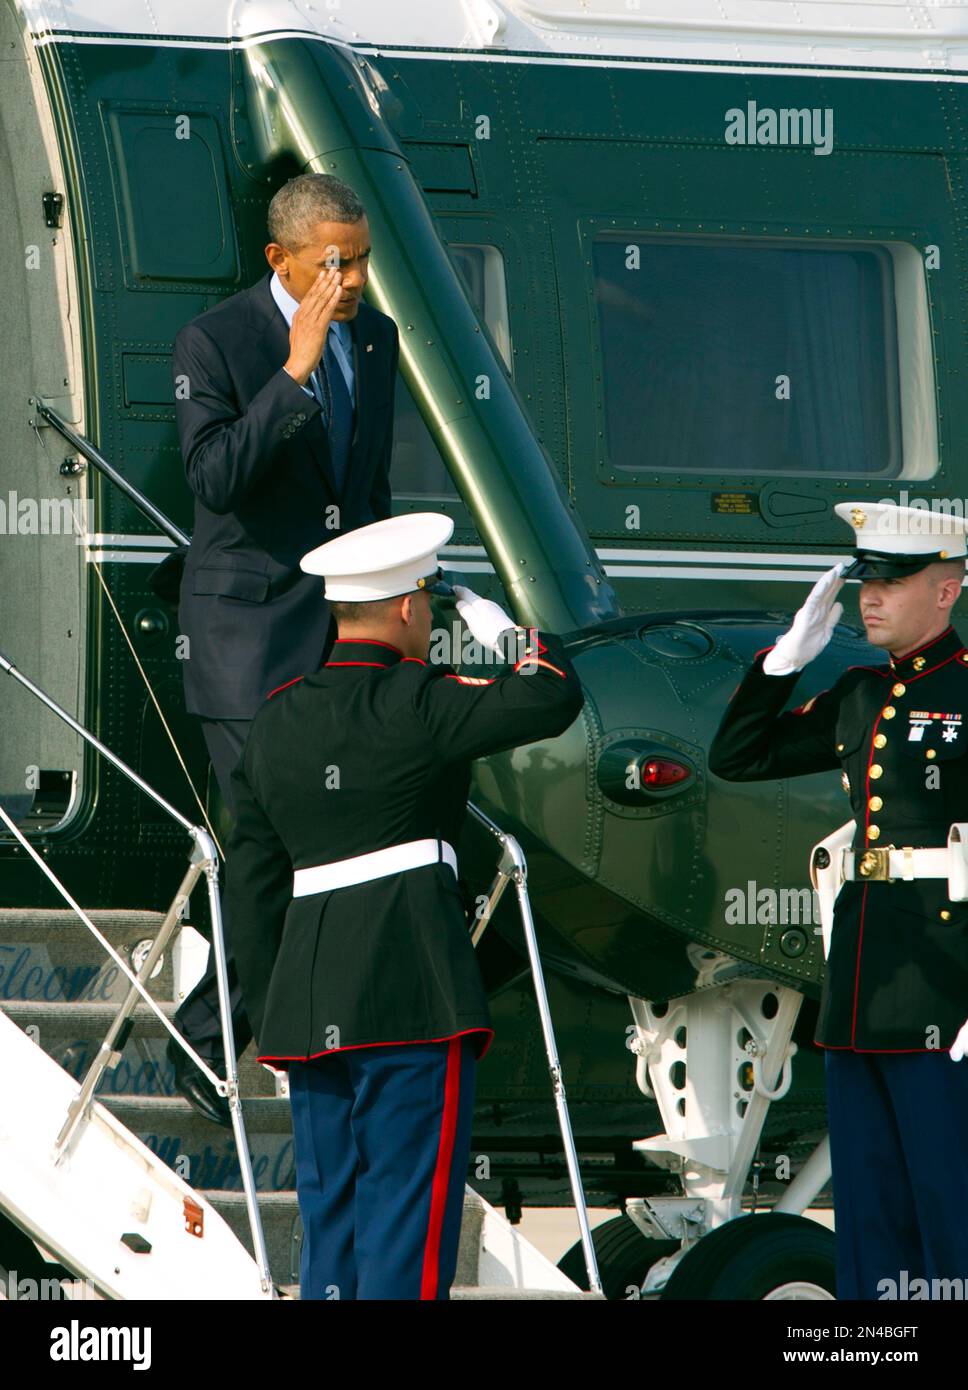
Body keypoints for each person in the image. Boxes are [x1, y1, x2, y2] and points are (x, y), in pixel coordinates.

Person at [223, 512, 584, 1299]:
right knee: (406, 1226)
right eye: (428, 603)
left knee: (333, 1221)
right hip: (412, 992)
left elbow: (250, 883)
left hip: (310, 1006)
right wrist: (506, 632)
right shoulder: (421, 699)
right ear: (409, 609)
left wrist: (270, 1002)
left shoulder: (276, 719)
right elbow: (553, 697)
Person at [166, 173, 399, 1123]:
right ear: (283, 261)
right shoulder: (217, 341)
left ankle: (216, 1026)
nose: (350, 282)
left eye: (362, 260)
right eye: (333, 264)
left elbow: (365, 489)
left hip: (341, 634)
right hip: (244, 637)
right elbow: (216, 477)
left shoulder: (376, 338)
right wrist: (295, 372)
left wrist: (403, 601)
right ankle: (235, 1041)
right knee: (262, 838)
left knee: (333, 840)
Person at [709, 500, 968, 1300]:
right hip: (864, 980)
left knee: (949, 1199)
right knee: (868, 1206)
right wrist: (784, 663)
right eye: (865, 581)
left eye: (893, 580)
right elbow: (739, 757)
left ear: (948, 588)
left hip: (948, 985)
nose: (870, 598)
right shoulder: (861, 696)